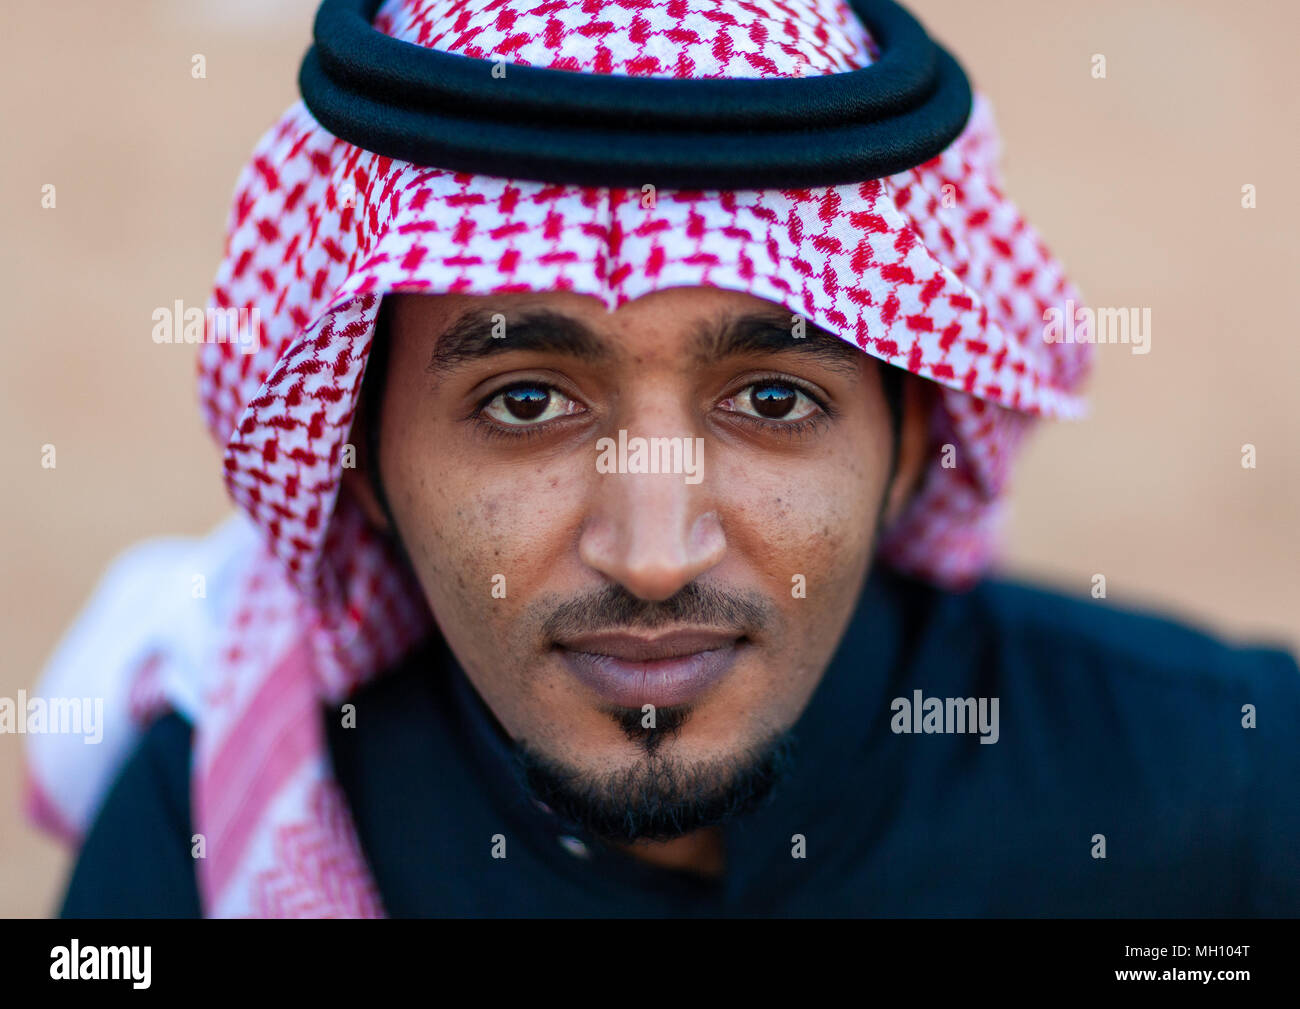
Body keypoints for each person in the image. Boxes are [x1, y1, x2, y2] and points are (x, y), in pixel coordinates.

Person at [26, 0, 1298, 918]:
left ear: (913, 440)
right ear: (358, 454)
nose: (649, 555)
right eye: (524, 399)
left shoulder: (1221, 799)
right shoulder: (200, 840)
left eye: (772, 396)